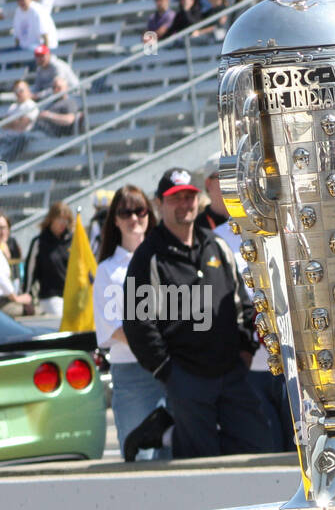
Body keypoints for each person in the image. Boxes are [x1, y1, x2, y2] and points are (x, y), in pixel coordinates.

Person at [123, 167, 270, 458]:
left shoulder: (216, 245)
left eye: (189, 197)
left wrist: (245, 349)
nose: (184, 204)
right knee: (201, 460)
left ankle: (165, 432)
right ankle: (166, 432)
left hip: (231, 372)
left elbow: (242, 302)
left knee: (257, 445)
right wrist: (167, 371)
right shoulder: (149, 255)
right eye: (175, 198)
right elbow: (137, 322)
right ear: (159, 204)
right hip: (185, 374)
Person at [94, 185, 172, 460]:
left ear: (149, 214)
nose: (134, 218)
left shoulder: (164, 258)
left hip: (171, 370)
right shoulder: (107, 270)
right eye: (125, 212)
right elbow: (114, 328)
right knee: (139, 459)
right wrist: (156, 351)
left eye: (139, 211)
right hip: (133, 374)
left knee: (173, 456)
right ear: (115, 219)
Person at [23, 201, 71, 318]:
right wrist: (26, 296)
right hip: (50, 297)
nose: (63, 223)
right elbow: (30, 272)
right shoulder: (39, 242)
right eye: (60, 219)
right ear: (51, 219)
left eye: (66, 219)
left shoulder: (72, 241)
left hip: (72, 295)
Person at [0, 80, 39, 163]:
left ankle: (2, 159)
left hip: (21, 139)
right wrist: (18, 120)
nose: (18, 93)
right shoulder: (13, 106)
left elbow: (22, 126)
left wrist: (12, 122)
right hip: (7, 137)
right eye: (16, 91)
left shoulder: (31, 105)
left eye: (21, 90)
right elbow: (4, 125)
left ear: (28, 90)